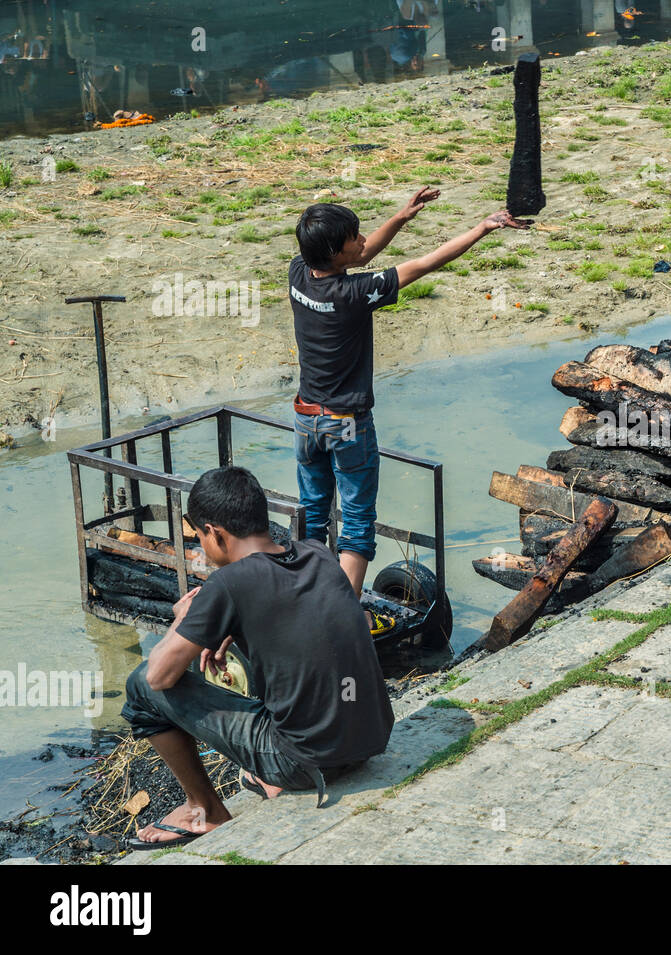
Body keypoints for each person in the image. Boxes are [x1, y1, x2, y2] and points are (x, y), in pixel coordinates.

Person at [289, 190, 529, 632]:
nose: (362, 240)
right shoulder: (353, 293)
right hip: (346, 423)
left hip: (306, 420)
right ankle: (342, 620)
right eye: (353, 237)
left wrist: (400, 218)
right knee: (358, 520)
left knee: (313, 512)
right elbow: (425, 264)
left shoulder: (300, 273)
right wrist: (482, 227)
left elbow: (361, 257)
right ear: (334, 252)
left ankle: (307, 597)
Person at [121, 466, 394, 849]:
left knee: (139, 685)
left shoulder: (228, 583)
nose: (202, 547)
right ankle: (266, 771)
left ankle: (205, 810)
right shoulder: (317, 554)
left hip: (306, 761)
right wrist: (226, 628)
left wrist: (182, 621)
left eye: (200, 537)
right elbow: (291, 616)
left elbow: (159, 677)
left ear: (215, 533)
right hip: (369, 740)